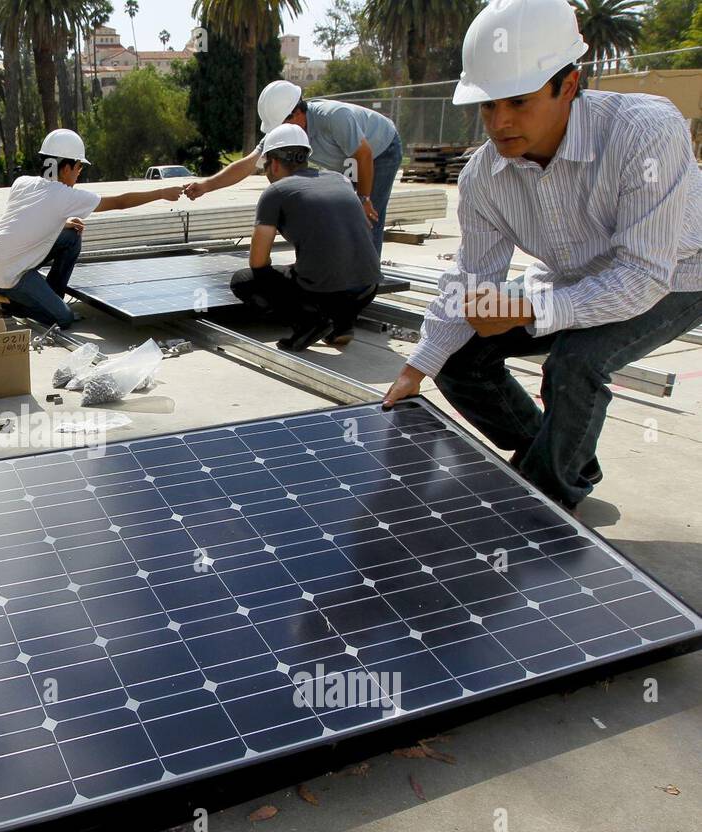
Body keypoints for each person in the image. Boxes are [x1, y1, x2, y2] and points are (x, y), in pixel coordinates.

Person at [381, 0, 702, 511]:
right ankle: (549, 452)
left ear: (568, 86)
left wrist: (535, 308)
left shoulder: (644, 132)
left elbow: (642, 274)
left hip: (679, 271)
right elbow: (471, 282)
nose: (499, 121)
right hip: (575, 276)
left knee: (576, 363)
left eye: (518, 102)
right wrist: (418, 366)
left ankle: (546, 502)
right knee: (459, 357)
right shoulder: (484, 178)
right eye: (488, 105)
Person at [0, 129, 186, 328]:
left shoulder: (22, 182)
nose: (79, 173)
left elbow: (27, 218)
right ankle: (12, 307)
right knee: (64, 318)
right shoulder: (66, 196)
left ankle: (51, 296)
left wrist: (62, 223)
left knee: (71, 236)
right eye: (79, 167)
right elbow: (120, 202)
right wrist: (161, 192)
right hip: (13, 276)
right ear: (65, 169)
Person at [185, 80, 402, 252]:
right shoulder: (285, 132)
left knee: (367, 216)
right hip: (349, 160)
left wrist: (364, 199)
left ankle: (368, 279)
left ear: (298, 113)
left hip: (380, 151)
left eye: (282, 125)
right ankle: (345, 272)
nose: (279, 132)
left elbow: (363, 155)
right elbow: (249, 164)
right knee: (344, 214)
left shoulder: (334, 117)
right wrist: (206, 186)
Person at [229, 124, 382, 351]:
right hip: (368, 288)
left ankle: (308, 322)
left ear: (276, 163)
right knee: (315, 270)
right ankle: (342, 324)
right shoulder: (340, 180)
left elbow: (258, 261)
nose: (267, 173)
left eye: (266, 167)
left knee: (245, 279)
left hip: (327, 292)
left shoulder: (276, 192)